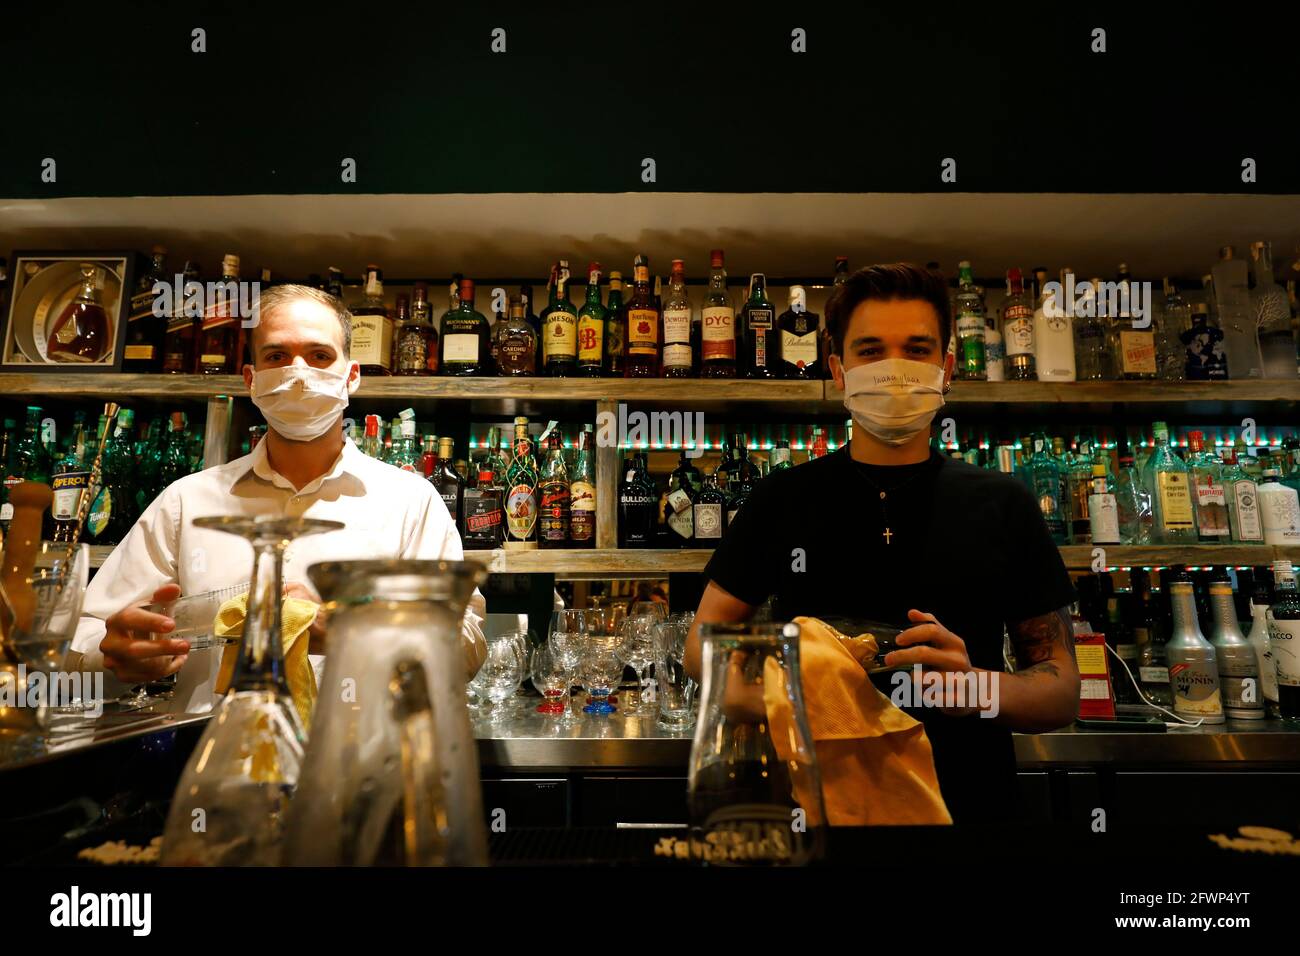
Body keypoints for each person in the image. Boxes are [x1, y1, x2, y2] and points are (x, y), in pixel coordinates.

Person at [685, 263, 1080, 823]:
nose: (894, 369)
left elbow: (1061, 690)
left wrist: (977, 690)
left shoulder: (1004, 503)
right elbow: (703, 649)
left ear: (946, 369)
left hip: (971, 813)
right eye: (871, 351)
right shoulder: (782, 499)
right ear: (839, 371)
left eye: (916, 349)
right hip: (818, 815)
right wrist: (795, 701)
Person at [70, 284, 486, 711]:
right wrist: (112, 656)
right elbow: (82, 640)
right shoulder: (186, 502)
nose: (298, 372)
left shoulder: (409, 502)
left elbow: (465, 650)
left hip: (360, 765)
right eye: (276, 357)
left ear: (352, 376)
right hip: (216, 761)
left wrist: (349, 630)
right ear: (251, 380)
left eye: (320, 355)